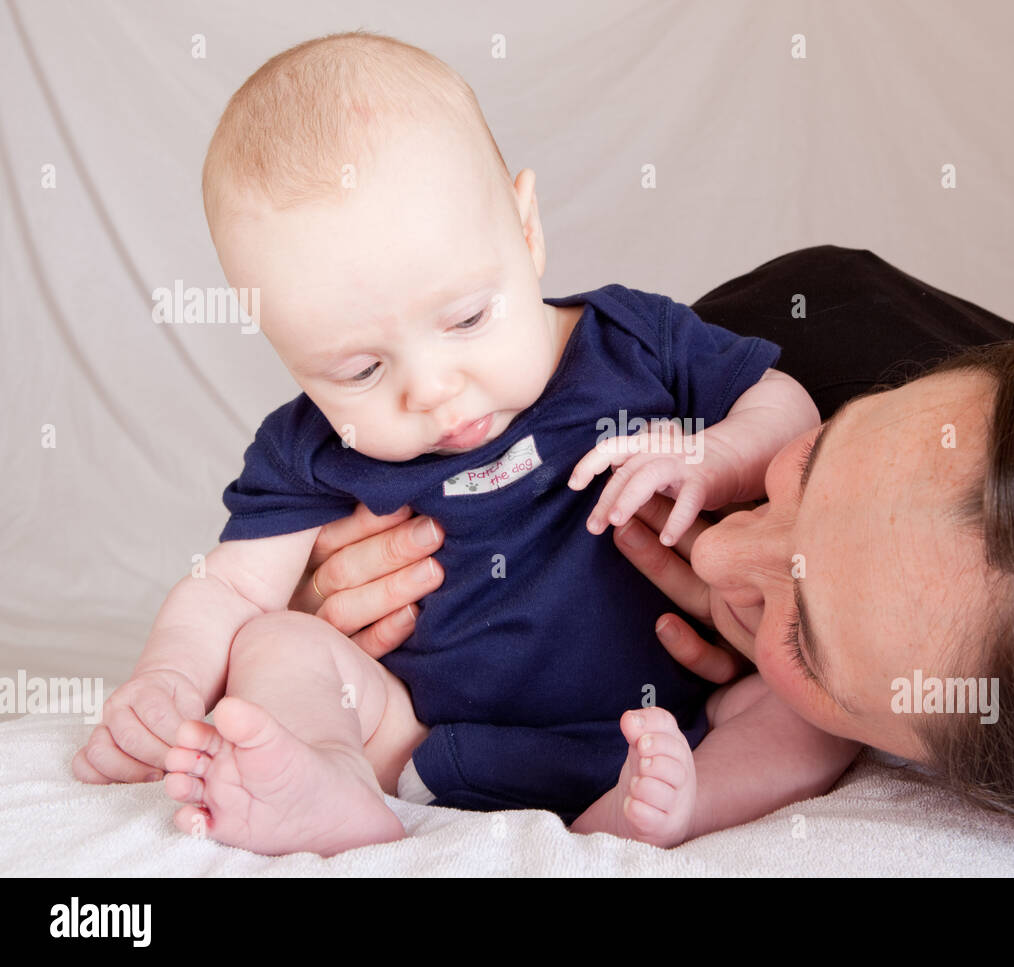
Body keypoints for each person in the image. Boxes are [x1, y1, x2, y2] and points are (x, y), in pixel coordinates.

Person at [71, 32, 866, 855]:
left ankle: (672, 805)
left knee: (814, 705)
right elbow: (229, 592)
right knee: (273, 641)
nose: (432, 389)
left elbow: (786, 406)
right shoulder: (307, 449)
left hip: (679, 713)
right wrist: (165, 680)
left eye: (466, 319)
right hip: (423, 741)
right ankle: (331, 774)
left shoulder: (632, 341)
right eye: (359, 368)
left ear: (526, 231)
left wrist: (716, 454)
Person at [307, 244, 1014, 878]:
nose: (728, 545)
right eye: (811, 466)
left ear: (948, 775)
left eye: (809, 639)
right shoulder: (807, 320)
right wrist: (335, 589)